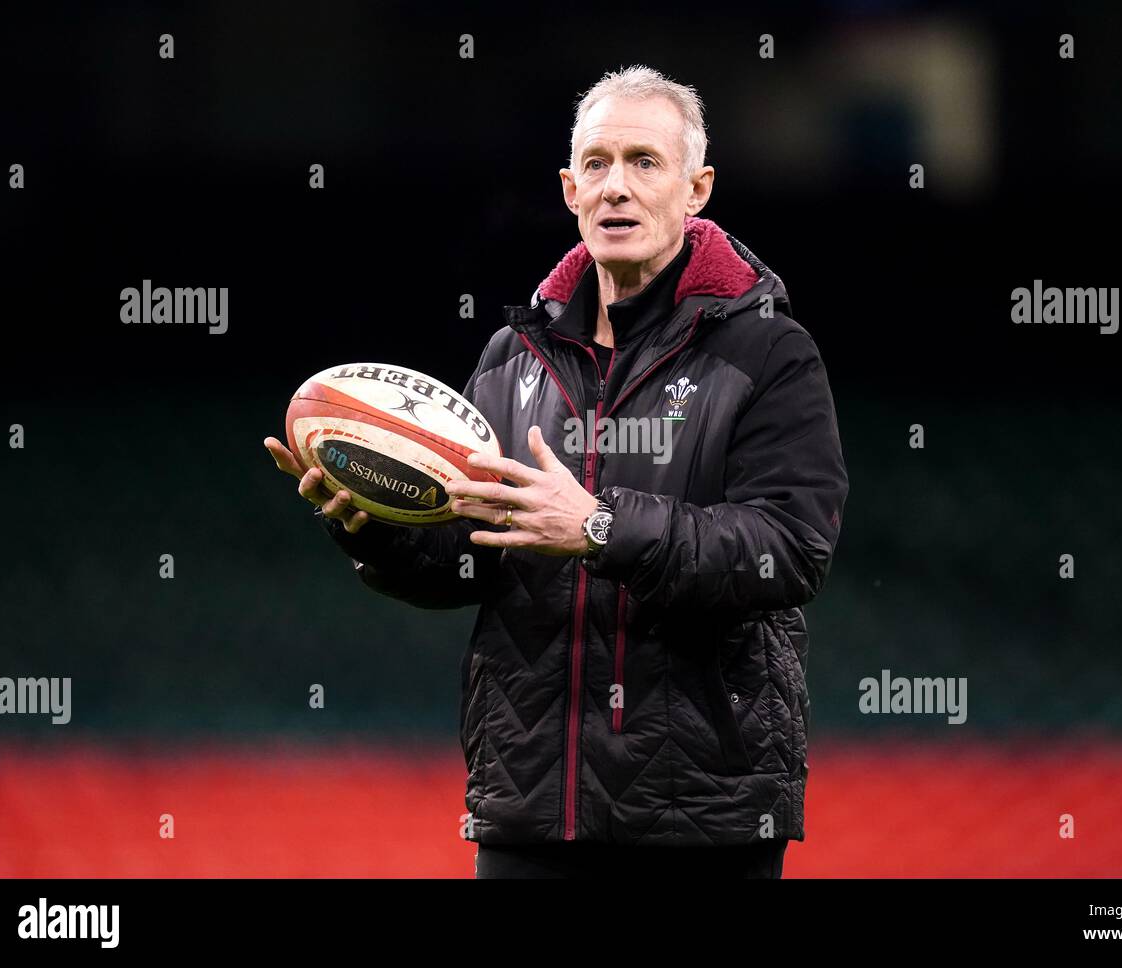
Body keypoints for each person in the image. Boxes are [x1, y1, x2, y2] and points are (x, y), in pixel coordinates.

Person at [264, 65, 849, 878]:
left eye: (645, 161)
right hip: (530, 808)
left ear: (697, 189)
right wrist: (368, 521)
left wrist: (599, 527)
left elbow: (787, 550)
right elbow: (466, 558)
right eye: (598, 164)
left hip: (706, 815)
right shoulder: (514, 359)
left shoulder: (769, 352)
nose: (618, 186)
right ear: (571, 190)